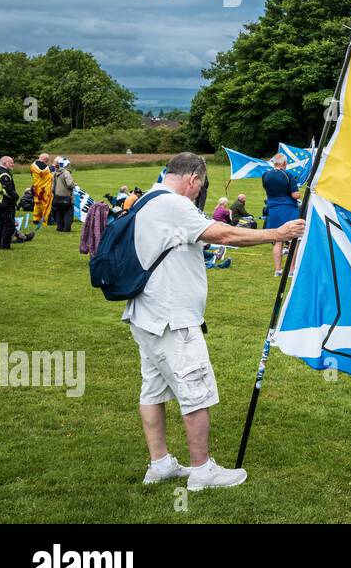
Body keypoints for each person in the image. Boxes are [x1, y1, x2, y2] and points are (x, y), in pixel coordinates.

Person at [124, 152, 304, 490]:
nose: (198, 193)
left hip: (146, 313)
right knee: (195, 391)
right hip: (172, 318)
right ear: (192, 179)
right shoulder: (175, 205)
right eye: (200, 186)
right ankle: (202, 471)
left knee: (153, 389)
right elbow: (222, 235)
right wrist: (276, 233)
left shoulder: (147, 198)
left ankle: (160, 463)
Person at [261, 154, 300, 276]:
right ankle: (291, 270)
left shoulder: (265, 175)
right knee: (293, 239)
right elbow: (295, 195)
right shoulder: (288, 176)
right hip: (288, 209)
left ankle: (278, 270)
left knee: (277, 239)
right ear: (283, 163)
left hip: (273, 209)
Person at [0, 155, 18, 250]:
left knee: (2, 224)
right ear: (5, 163)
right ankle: (5, 246)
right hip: (5, 203)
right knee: (9, 225)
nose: (13, 164)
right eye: (11, 162)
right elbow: (7, 191)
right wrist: (16, 197)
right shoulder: (4, 174)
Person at [29, 154, 53, 230]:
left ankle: (36, 218)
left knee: (37, 203)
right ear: (46, 160)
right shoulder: (45, 168)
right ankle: (45, 220)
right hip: (44, 189)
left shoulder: (32, 166)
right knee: (46, 204)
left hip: (36, 187)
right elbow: (46, 174)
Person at [52, 158, 76, 233]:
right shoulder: (66, 173)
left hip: (57, 196)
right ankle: (66, 229)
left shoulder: (55, 173)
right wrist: (74, 184)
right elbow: (69, 184)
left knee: (59, 212)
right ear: (65, 164)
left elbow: (53, 187)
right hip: (66, 197)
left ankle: (59, 228)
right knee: (68, 213)